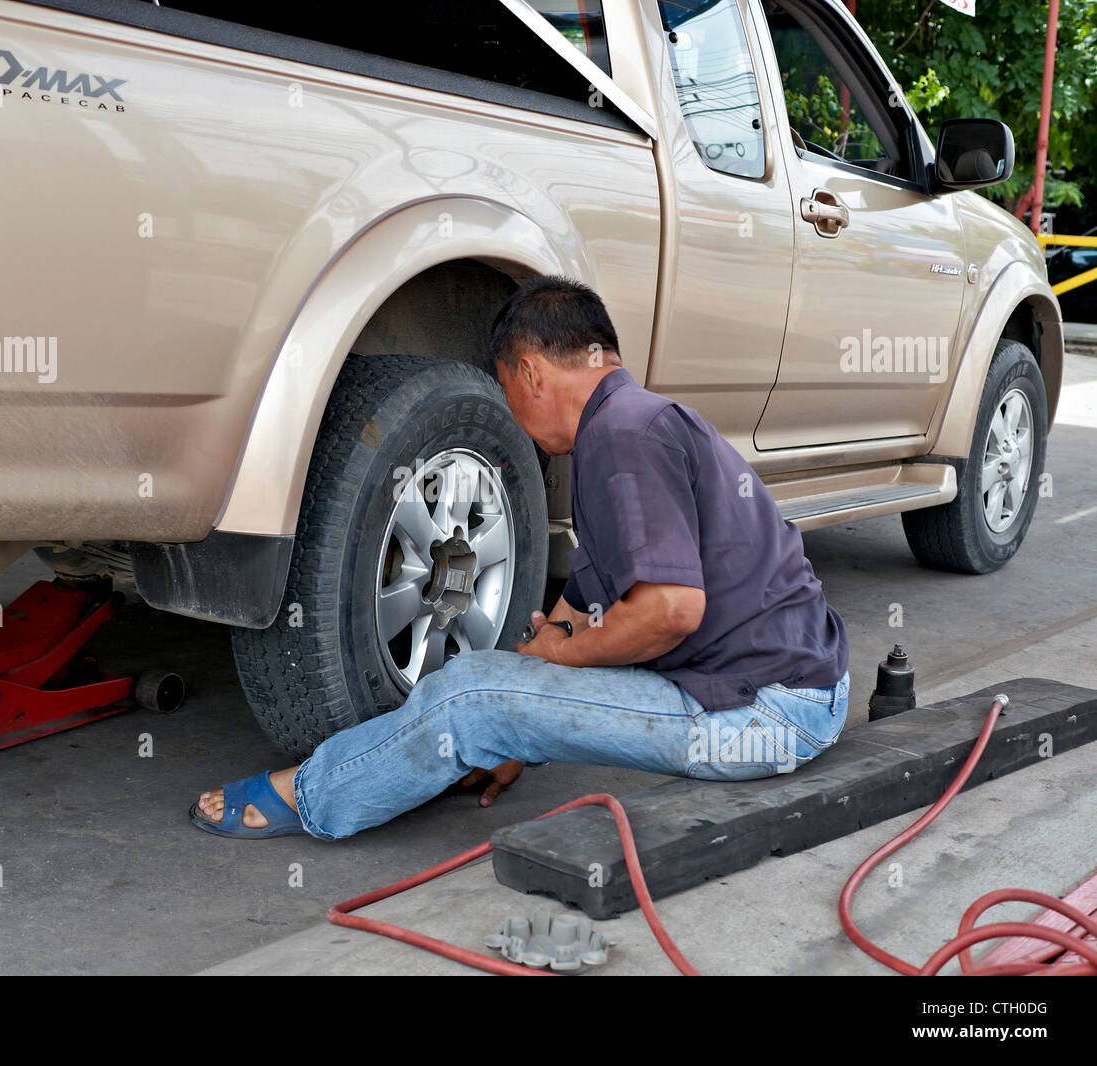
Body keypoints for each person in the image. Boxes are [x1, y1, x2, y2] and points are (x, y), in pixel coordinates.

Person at [190, 276, 850, 840]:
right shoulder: (632, 423)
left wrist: (518, 691)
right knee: (493, 687)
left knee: (470, 698)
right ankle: (454, 740)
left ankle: (307, 797)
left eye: (507, 388)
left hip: (767, 716)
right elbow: (578, 607)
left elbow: (671, 611)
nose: (511, 407)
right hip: (801, 690)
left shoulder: (622, 437)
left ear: (530, 373)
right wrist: (522, 704)